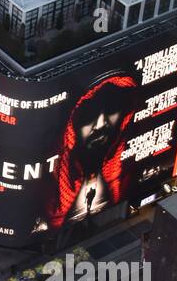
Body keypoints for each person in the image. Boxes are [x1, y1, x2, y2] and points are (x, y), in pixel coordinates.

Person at [46, 74, 140, 229]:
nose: (101, 124)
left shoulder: (129, 169)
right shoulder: (51, 182)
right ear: (73, 120)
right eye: (90, 113)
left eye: (111, 110)